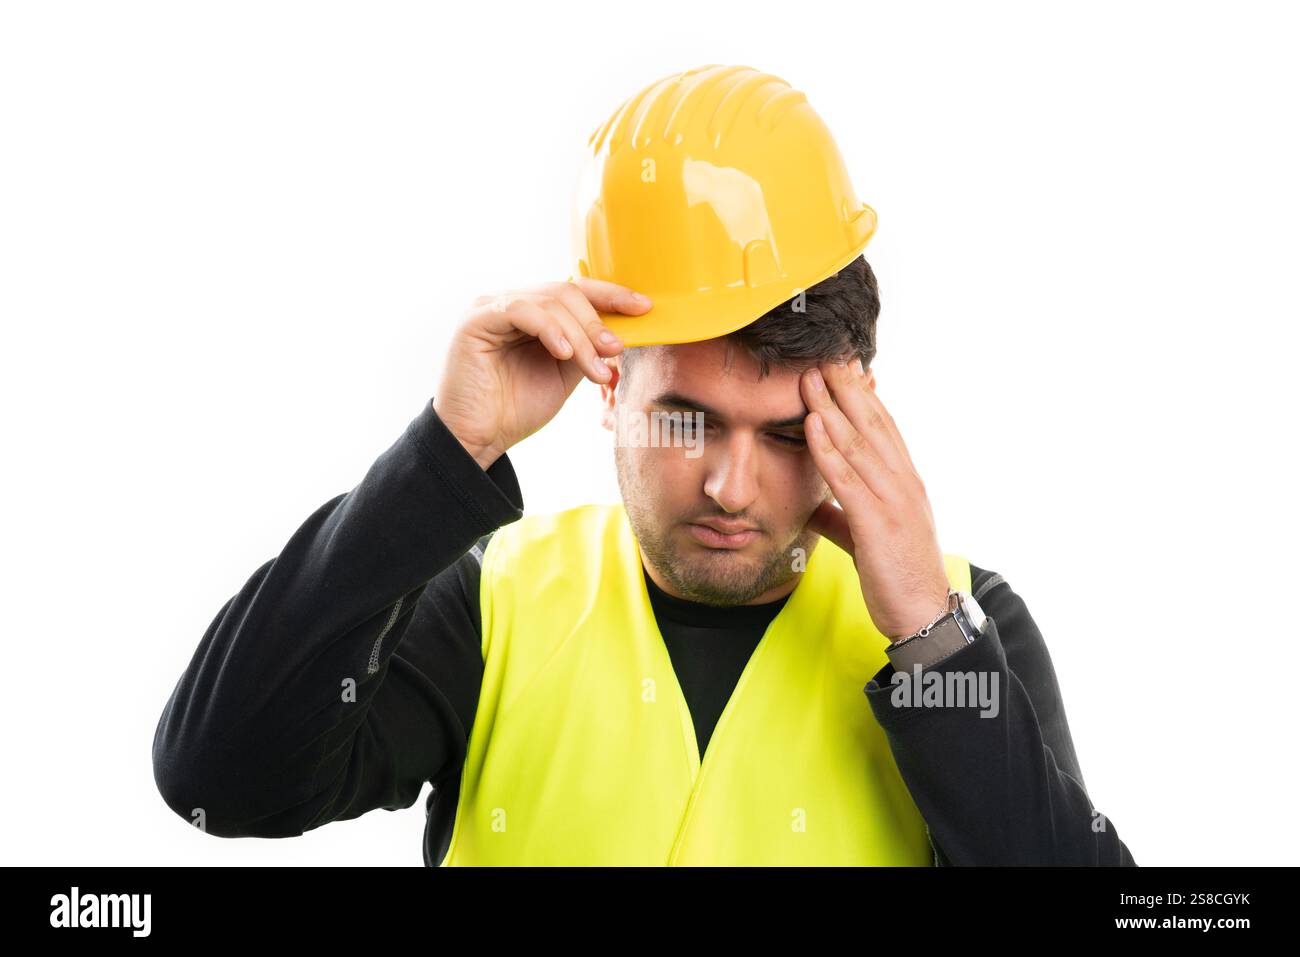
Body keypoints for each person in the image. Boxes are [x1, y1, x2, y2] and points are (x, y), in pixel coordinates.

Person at [152, 65, 1137, 866]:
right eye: (685, 420)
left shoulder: (963, 627)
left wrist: (927, 635)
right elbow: (217, 780)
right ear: (607, 387)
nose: (729, 485)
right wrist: (445, 456)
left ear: (861, 409)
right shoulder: (495, 604)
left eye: (790, 435)